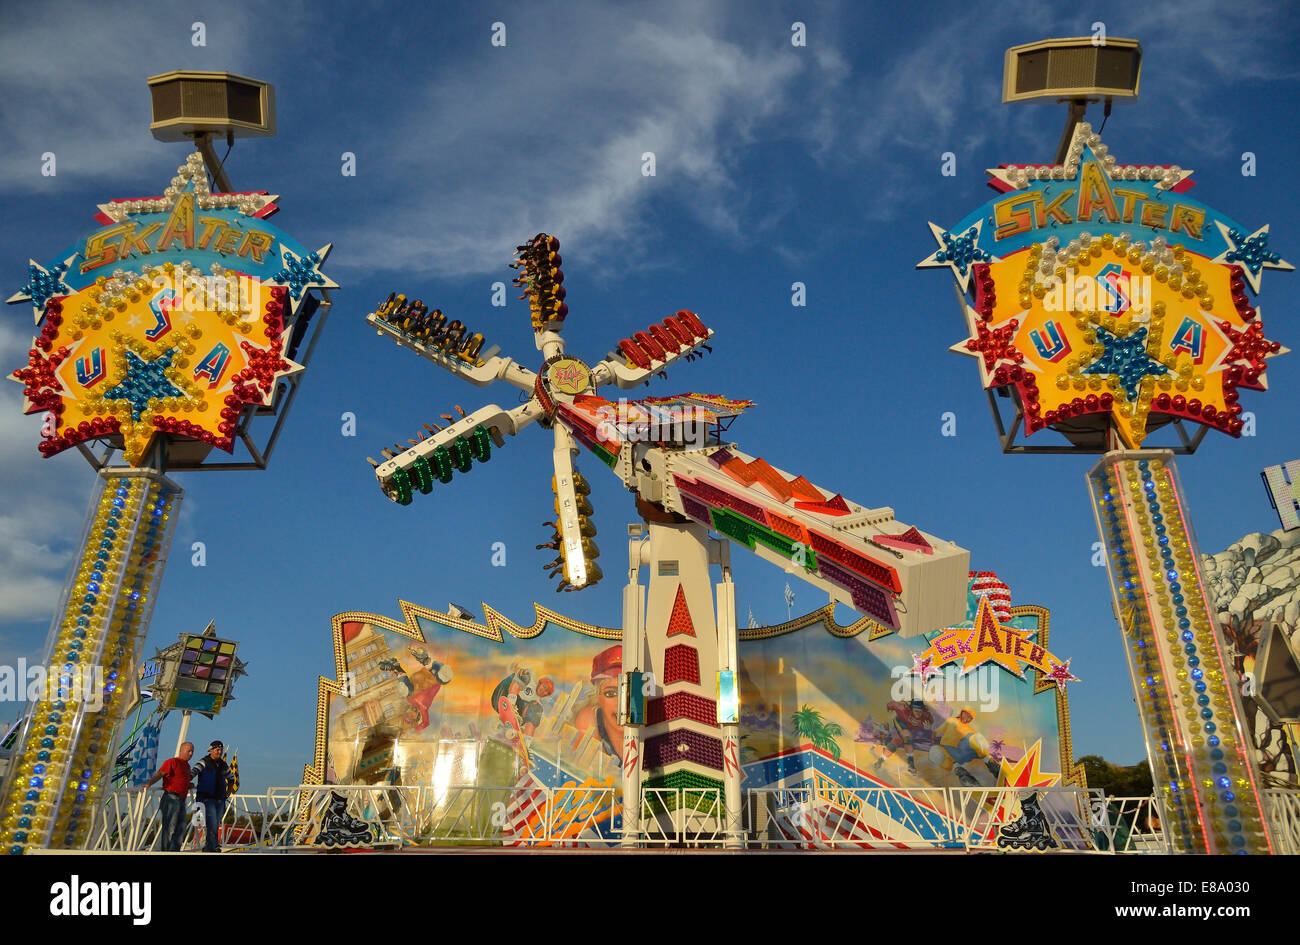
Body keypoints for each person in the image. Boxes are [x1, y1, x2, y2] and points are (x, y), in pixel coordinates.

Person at [573, 646, 623, 759]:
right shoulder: (588, 722)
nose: (622, 703)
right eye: (611, 694)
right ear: (598, 698)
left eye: (631, 691)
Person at [145, 741, 194, 852]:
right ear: (181, 750)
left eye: (192, 751)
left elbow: (180, 780)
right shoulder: (172, 762)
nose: (191, 753)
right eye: (189, 751)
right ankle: (166, 851)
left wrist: (188, 785)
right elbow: (160, 773)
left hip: (181, 799)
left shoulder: (187, 766)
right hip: (171, 798)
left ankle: (174, 851)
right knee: (170, 827)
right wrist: (149, 783)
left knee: (181, 827)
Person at [191, 740, 235, 852]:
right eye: (217, 750)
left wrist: (228, 792)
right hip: (206, 798)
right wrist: (184, 781)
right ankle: (213, 846)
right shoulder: (204, 762)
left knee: (215, 823)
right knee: (212, 822)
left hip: (220, 799)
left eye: (220, 750)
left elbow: (231, 779)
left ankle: (209, 847)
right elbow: (193, 772)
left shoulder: (223, 765)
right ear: (211, 750)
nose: (219, 752)